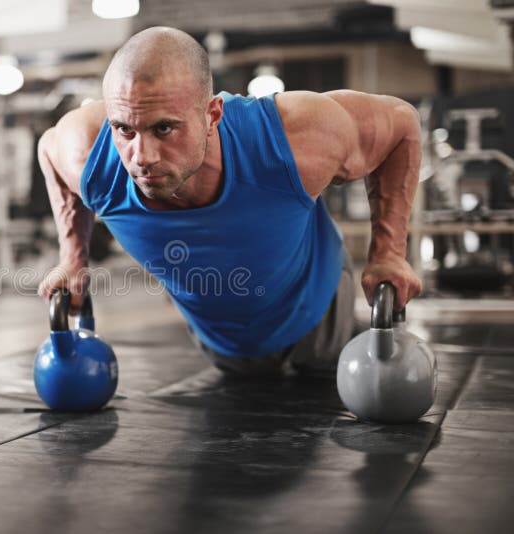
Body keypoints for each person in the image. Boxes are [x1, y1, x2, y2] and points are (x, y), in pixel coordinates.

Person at [36, 26, 422, 375]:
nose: (142, 156)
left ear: (213, 114)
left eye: (164, 128)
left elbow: (400, 124)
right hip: (220, 344)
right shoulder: (88, 153)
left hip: (319, 319)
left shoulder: (290, 138)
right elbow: (48, 149)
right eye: (124, 129)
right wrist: (72, 259)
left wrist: (388, 253)